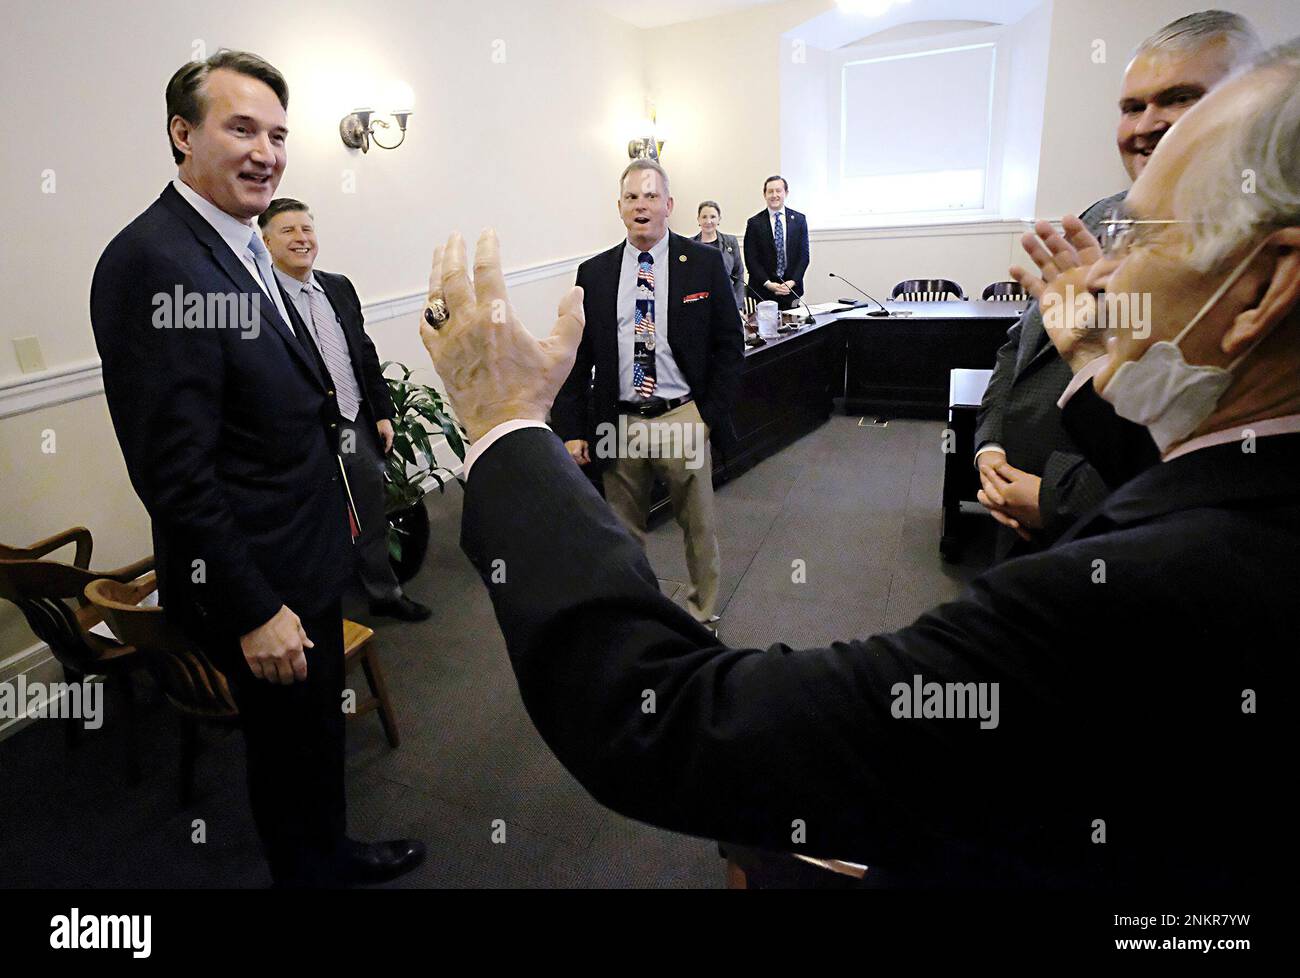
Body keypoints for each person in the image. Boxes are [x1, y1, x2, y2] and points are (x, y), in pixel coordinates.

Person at [417, 38, 1299, 886]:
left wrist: (503, 427)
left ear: (1262, 289)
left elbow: (681, 724)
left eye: (1141, 238)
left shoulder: (1144, 595)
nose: (1109, 267)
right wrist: (1113, 376)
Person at [90, 50, 423, 887]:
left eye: (278, 134)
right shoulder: (153, 262)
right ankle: (309, 873)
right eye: (241, 128)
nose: (266, 151)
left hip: (303, 556)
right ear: (181, 133)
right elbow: (175, 474)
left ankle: (331, 854)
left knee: (310, 742)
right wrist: (253, 609)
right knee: (286, 752)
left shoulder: (240, 244)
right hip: (257, 583)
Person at [976, 10, 1260, 556]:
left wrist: (1060, 498)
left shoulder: (1260, 256)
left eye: (1180, 98)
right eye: (1132, 106)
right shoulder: (1096, 220)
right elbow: (1020, 349)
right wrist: (989, 447)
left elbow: (1231, 454)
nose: (1146, 124)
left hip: (1132, 540)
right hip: (1015, 509)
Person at [549, 159, 743, 627]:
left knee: (698, 527)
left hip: (682, 417)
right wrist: (572, 429)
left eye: (651, 196)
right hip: (621, 420)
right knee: (622, 530)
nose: (642, 205)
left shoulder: (702, 263)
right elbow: (576, 356)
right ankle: (640, 613)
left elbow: (728, 346)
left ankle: (700, 614)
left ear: (669, 205)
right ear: (619, 207)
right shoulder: (593, 273)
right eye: (632, 197)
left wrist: (706, 417)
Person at [260, 197, 432, 622]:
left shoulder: (338, 286)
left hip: (354, 421)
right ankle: (318, 610)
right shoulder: (263, 301)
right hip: (306, 433)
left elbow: (363, 352)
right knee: (315, 524)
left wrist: (381, 412)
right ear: (265, 242)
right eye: (288, 231)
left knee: (370, 510)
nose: (301, 239)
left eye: (307, 229)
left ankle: (383, 593)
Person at [743, 176, 810, 311]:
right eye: (770, 191)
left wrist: (792, 282)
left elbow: (804, 256)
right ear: (764, 194)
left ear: (786, 193)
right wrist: (768, 284)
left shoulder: (799, 220)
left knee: (795, 330)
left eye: (778, 191)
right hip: (763, 291)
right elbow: (751, 259)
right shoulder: (754, 223)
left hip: (791, 290)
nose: (774, 195)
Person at [691, 200, 745, 310]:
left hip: (727, 303)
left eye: (713, 217)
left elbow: (738, 275)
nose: (708, 221)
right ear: (698, 219)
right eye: (704, 217)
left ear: (719, 219)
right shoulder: (690, 245)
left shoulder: (731, 242)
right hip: (700, 305)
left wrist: (737, 306)